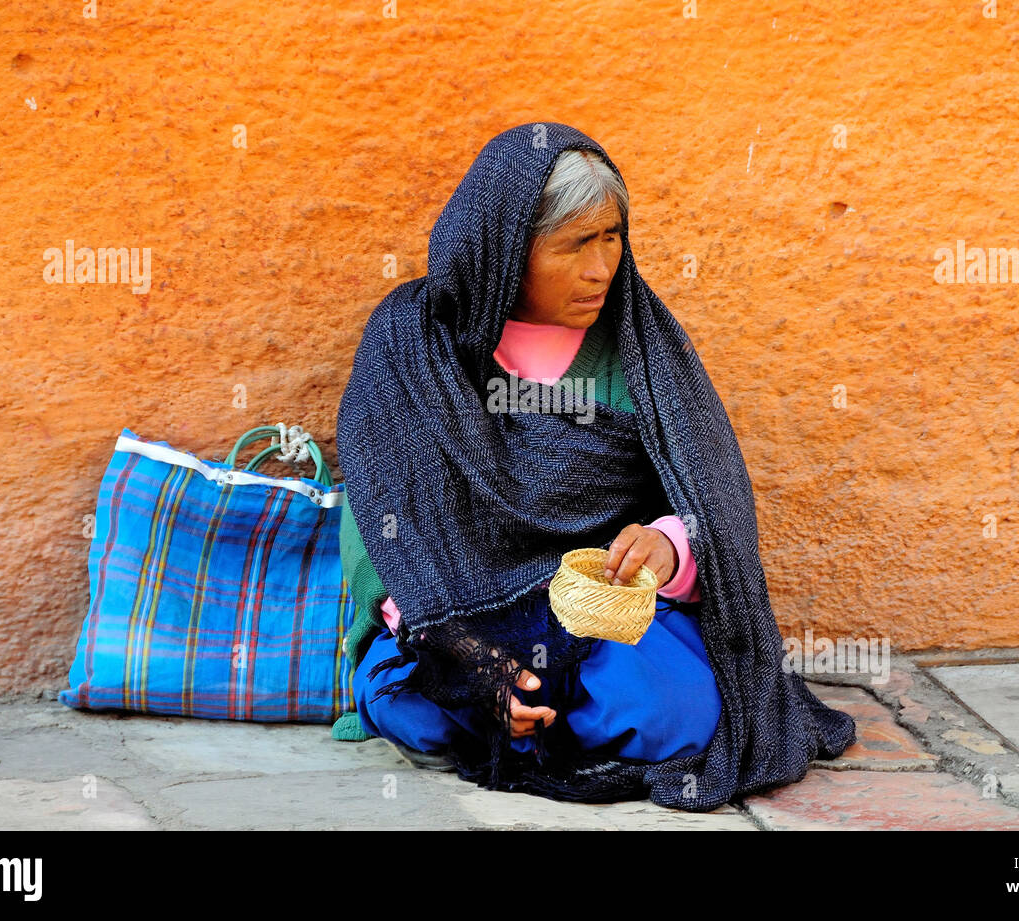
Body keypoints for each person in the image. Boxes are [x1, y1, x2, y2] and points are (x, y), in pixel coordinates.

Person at [335, 122, 855, 810]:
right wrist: (470, 657)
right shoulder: (413, 340)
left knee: (685, 710)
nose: (601, 267)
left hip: (592, 612)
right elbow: (380, 516)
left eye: (612, 237)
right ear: (505, 252)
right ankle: (514, 712)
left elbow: (711, 504)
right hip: (448, 612)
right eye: (575, 243)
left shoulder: (639, 346)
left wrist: (668, 547)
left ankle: (532, 723)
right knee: (421, 705)